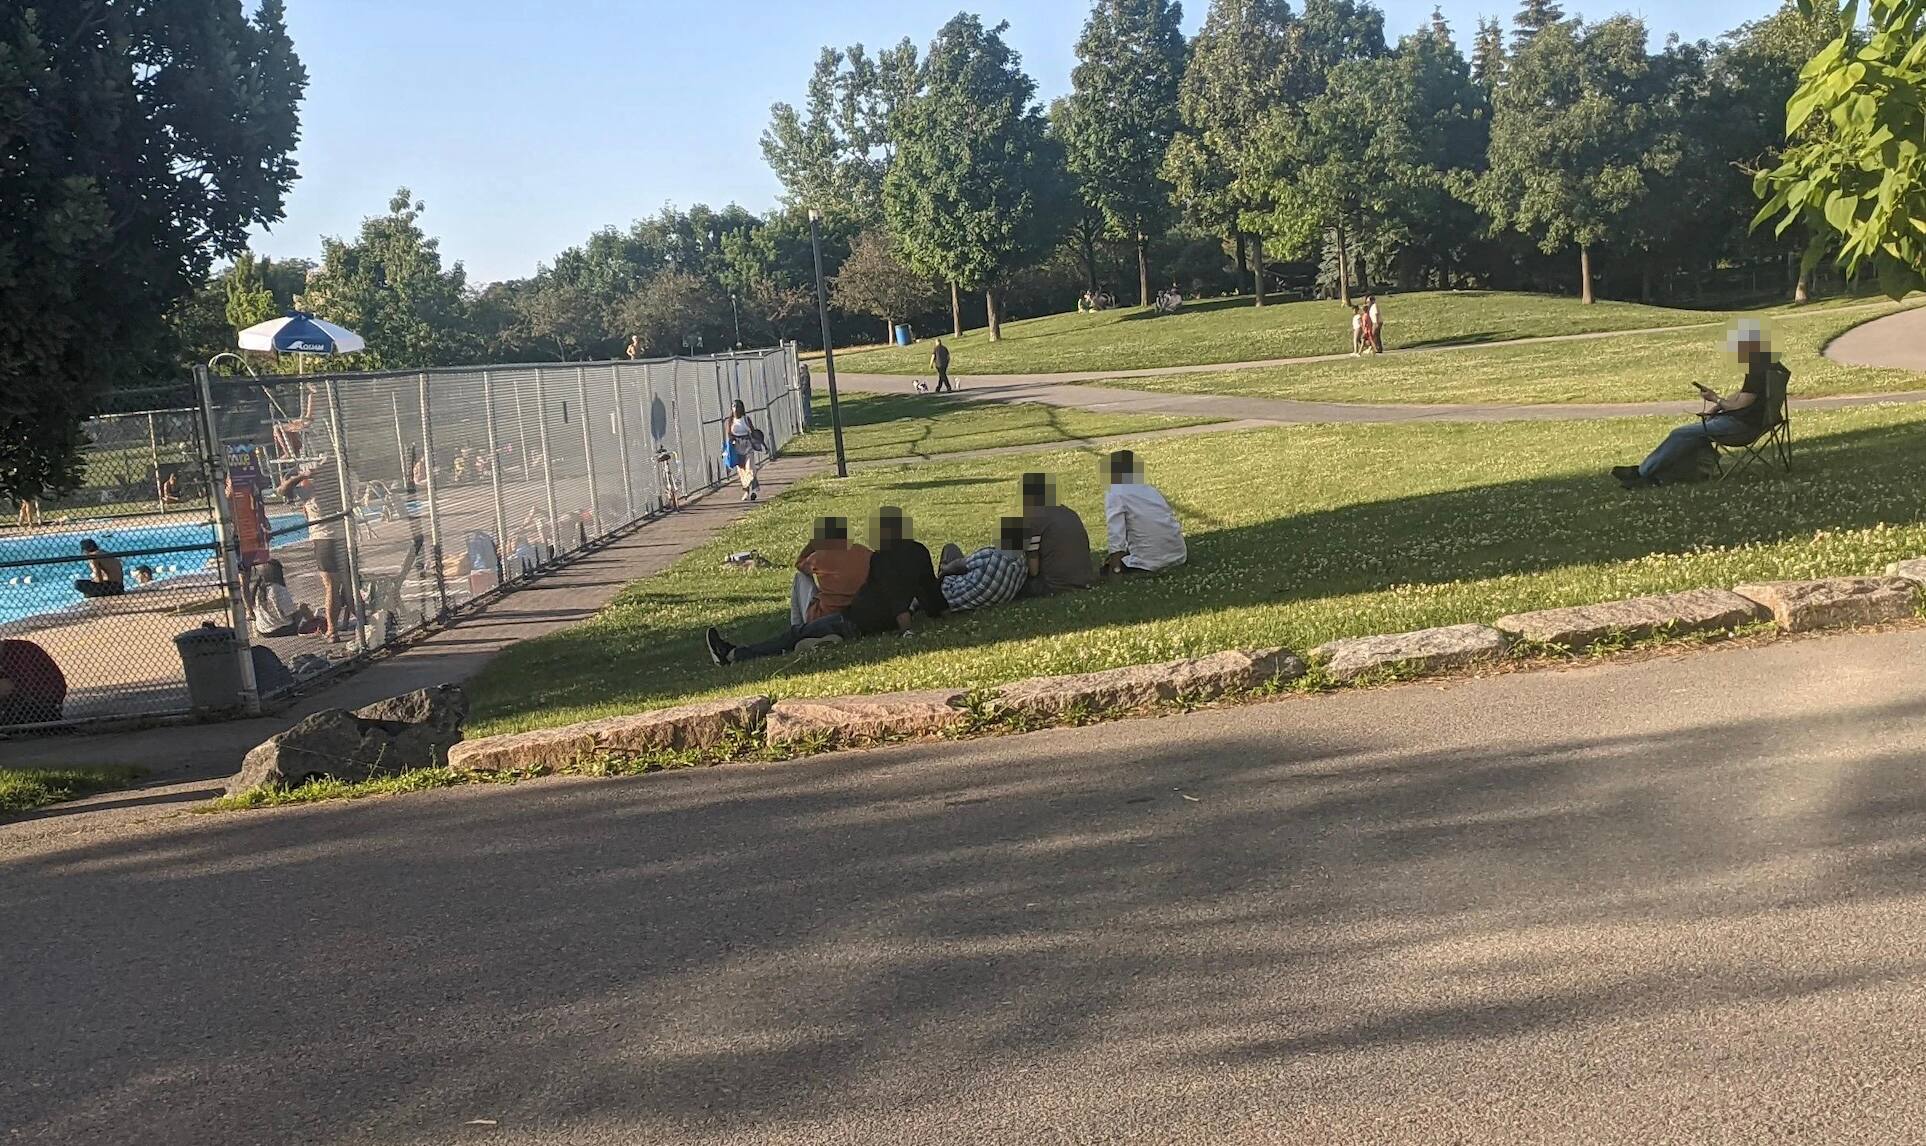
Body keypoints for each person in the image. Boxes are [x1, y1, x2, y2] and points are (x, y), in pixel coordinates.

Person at [708, 506, 945, 665]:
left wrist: (906, 629)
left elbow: (893, 598)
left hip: (853, 619)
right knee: (816, 630)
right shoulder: (910, 552)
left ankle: (733, 654)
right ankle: (825, 638)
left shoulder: (878, 558)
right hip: (858, 618)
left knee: (795, 633)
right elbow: (929, 596)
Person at [1612, 320, 1789, 489]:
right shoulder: (1772, 367)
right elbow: (1744, 395)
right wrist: (1719, 405)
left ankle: (1641, 472)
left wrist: (1715, 399)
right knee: (1695, 433)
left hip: (1742, 427)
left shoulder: (1756, 369)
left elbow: (1740, 406)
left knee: (1681, 433)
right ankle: (1672, 475)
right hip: (1760, 423)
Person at [278, 464, 351, 641]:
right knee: (347, 583)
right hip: (343, 534)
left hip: (327, 536)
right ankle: (361, 624)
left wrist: (303, 476)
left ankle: (333, 630)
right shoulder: (340, 476)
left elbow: (282, 490)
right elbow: (284, 490)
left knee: (333, 584)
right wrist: (303, 475)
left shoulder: (321, 482)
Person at [1101, 450, 1186, 576]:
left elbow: (1116, 534)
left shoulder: (1115, 491)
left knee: (1104, 570)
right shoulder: (1150, 490)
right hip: (1178, 556)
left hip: (1149, 563)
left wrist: (1115, 569)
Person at [1020, 472, 1094, 597]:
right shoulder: (1069, 512)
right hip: (1084, 580)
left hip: (1054, 585)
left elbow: (1033, 569)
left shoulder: (1033, 518)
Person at [790, 516, 873, 625]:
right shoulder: (864, 552)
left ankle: (797, 629)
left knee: (800, 577)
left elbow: (799, 564)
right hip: (860, 614)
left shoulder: (819, 556)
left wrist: (813, 544)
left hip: (823, 618)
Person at [938, 517, 1029, 612]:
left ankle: (931, 590)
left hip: (950, 594)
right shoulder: (1023, 566)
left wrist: (944, 568)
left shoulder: (989, 555)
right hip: (987, 598)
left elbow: (958, 565)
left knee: (950, 549)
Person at [249, 559, 319, 638]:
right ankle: (316, 625)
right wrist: (302, 609)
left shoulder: (256, 590)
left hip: (263, 630)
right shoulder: (278, 589)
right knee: (303, 608)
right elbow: (291, 613)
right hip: (282, 629)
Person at [725, 399, 761, 501]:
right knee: (742, 471)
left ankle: (753, 491)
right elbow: (729, 435)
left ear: (742, 408)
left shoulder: (746, 419)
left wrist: (761, 444)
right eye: (733, 406)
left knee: (750, 468)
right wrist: (728, 449)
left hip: (747, 444)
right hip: (737, 446)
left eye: (737, 406)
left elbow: (753, 432)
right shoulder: (730, 421)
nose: (735, 409)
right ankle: (746, 491)